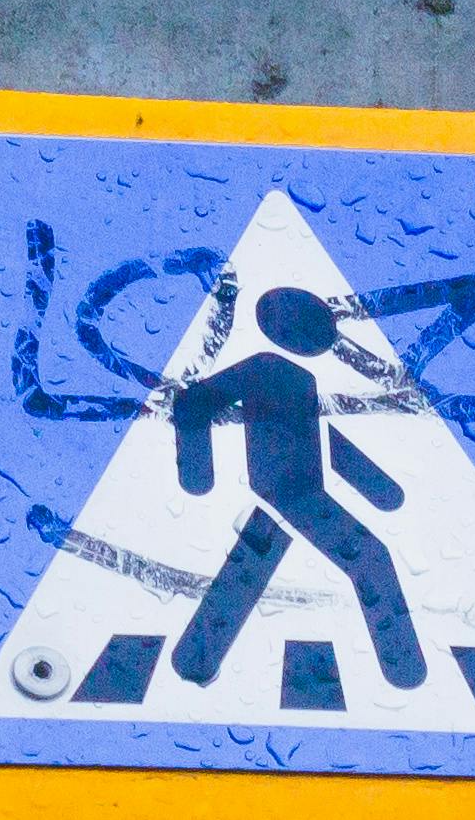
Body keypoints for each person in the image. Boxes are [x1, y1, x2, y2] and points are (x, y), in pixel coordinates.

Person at [167, 285, 423, 692]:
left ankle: (197, 660)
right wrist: (197, 475)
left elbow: (324, 439)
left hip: (302, 489)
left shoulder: (297, 376)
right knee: (361, 557)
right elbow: (192, 405)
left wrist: (380, 489)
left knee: (261, 564)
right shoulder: (264, 368)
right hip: (281, 490)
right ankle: (405, 673)